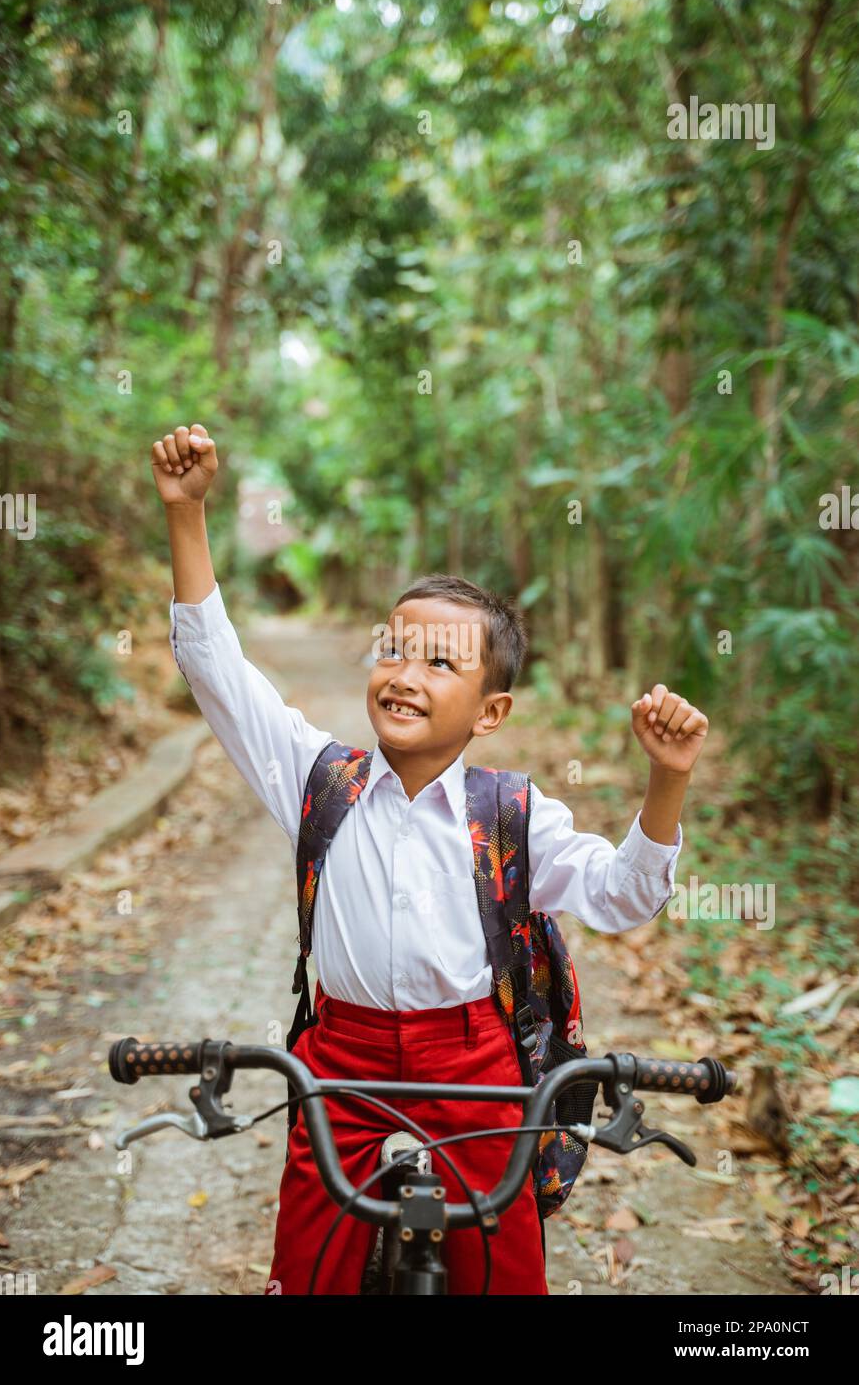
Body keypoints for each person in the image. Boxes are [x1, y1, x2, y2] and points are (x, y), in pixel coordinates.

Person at [151, 422, 709, 1295]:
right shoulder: (317, 780)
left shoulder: (513, 815)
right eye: (394, 649)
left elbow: (622, 894)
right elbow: (216, 668)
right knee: (308, 1272)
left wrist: (666, 781)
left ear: (490, 712)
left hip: (476, 1058)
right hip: (339, 1054)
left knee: (506, 1270)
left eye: (440, 663)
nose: (405, 672)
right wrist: (188, 515)